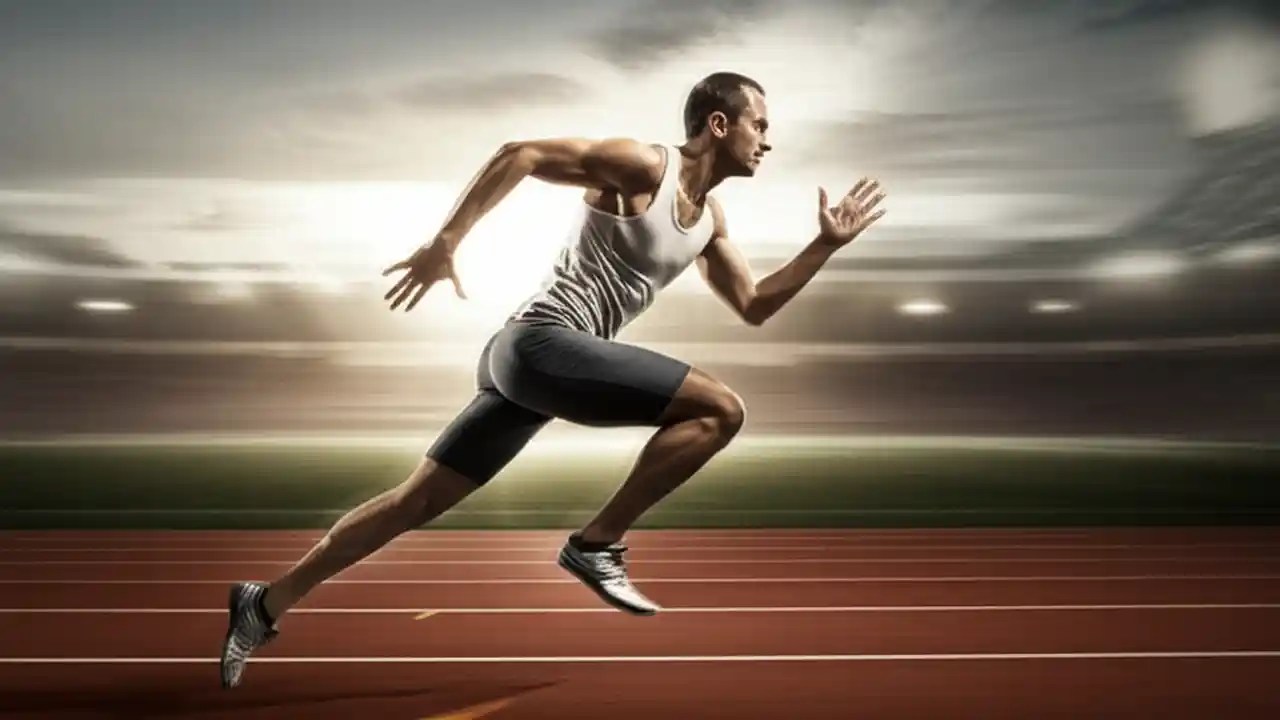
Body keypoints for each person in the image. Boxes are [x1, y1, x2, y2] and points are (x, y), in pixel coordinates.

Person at [220, 70, 885, 689]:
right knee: (720, 410)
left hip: (536, 367)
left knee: (413, 503)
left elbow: (755, 304)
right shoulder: (644, 165)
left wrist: (824, 245)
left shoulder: (710, 222)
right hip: (539, 344)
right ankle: (596, 544)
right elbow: (521, 154)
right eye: (759, 125)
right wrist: (447, 240)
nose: (767, 140)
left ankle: (265, 602)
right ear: (719, 124)